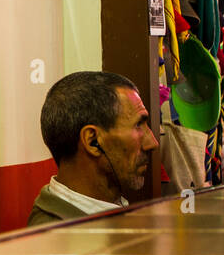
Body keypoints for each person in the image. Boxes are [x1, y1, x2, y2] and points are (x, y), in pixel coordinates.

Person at [28, 71, 159, 226]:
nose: (152, 143)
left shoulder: (102, 215)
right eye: (138, 125)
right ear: (92, 141)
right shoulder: (56, 241)